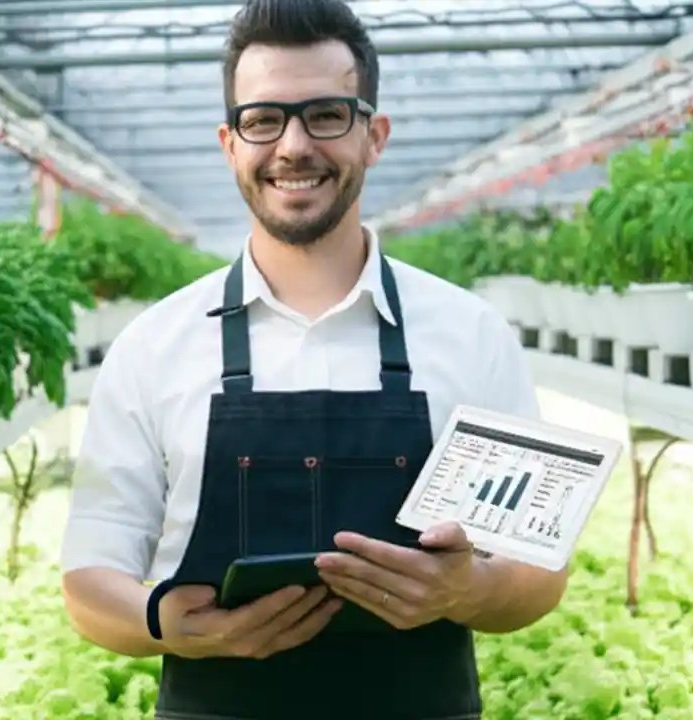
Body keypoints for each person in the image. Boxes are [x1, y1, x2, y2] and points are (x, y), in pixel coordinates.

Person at [59, 1, 569, 717]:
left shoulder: (471, 332)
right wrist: (162, 623)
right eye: (263, 120)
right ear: (230, 143)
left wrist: (473, 590)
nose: (293, 146)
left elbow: (539, 571)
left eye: (326, 115)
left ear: (374, 135)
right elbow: (90, 578)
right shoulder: (155, 345)